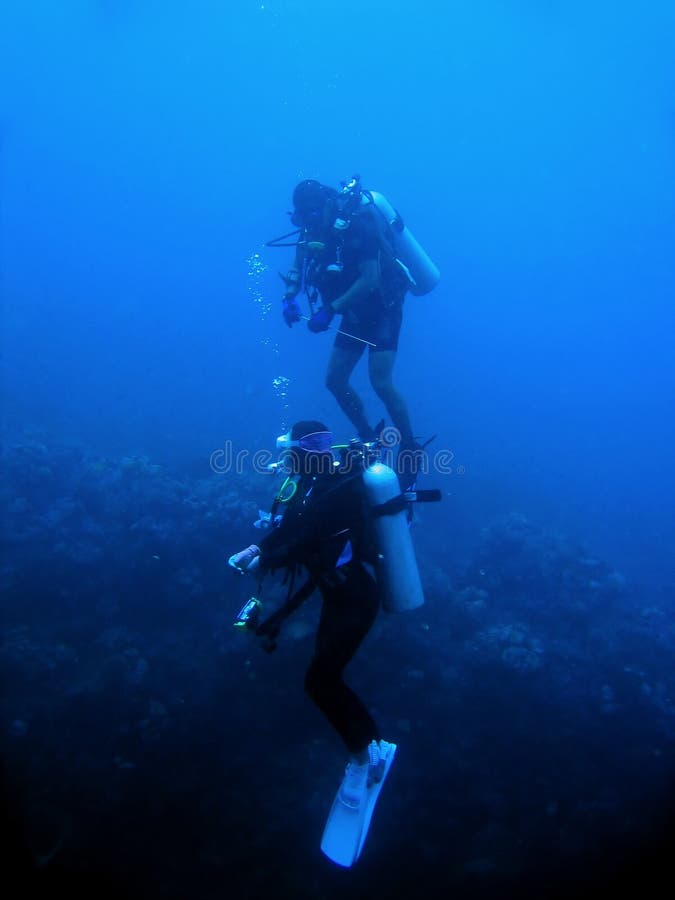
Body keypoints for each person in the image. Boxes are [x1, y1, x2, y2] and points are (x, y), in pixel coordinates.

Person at [229, 420, 396, 816]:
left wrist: (265, 560)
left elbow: (308, 535)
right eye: (312, 444)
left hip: (355, 596)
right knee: (324, 680)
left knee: (320, 682)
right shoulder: (309, 485)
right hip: (339, 597)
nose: (318, 450)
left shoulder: (337, 487)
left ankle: (364, 757)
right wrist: (255, 548)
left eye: (322, 443)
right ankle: (370, 747)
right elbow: (291, 527)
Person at [280, 178, 421, 487]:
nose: (309, 221)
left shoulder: (359, 227)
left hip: (383, 307)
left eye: (313, 213)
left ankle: (410, 447)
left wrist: (330, 310)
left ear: (327, 205)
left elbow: (370, 279)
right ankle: (368, 436)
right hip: (353, 311)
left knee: (380, 381)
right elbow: (297, 269)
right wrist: (289, 297)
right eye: (302, 216)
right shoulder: (309, 232)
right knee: (334, 380)